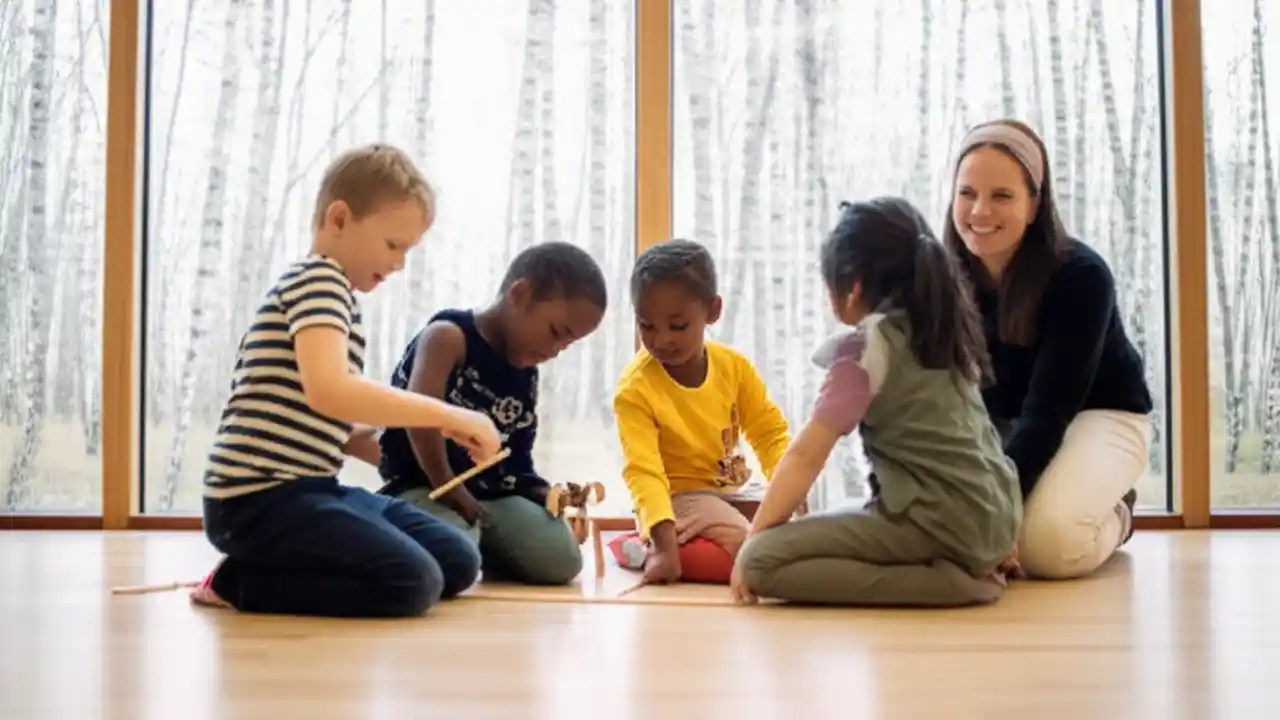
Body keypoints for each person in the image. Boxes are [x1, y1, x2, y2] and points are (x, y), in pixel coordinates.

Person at [192, 144, 502, 618]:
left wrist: (409, 455)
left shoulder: (334, 294)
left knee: (458, 560)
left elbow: (325, 418)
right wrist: (450, 414)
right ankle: (239, 581)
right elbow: (332, 390)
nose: (399, 263)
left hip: (311, 489)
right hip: (255, 501)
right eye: (393, 245)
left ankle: (283, 567)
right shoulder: (318, 282)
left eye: (407, 250)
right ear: (339, 219)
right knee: (413, 582)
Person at [731, 197, 1022, 607]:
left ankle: (954, 585)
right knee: (847, 513)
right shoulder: (943, 331)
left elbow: (805, 457)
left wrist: (751, 540)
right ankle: (969, 559)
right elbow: (981, 437)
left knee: (762, 561)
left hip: (939, 523)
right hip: (996, 515)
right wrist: (1000, 534)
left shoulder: (867, 350)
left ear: (853, 289)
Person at [943, 119, 1154, 580]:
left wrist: (1000, 515)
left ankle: (1118, 512)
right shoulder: (941, 277)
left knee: (1048, 548)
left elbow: (1048, 411)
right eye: (967, 193)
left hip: (1099, 416)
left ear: (1035, 204)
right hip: (1003, 425)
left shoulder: (1081, 275)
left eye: (1002, 195)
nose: (980, 211)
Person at [376, 242, 608, 585]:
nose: (556, 351)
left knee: (563, 561)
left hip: (487, 497)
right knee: (454, 556)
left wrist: (548, 495)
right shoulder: (447, 337)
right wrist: (450, 488)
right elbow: (420, 418)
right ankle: (438, 534)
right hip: (424, 486)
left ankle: (480, 542)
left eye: (567, 344)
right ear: (520, 294)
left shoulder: (526, 371)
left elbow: (515, 460)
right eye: (556, 333)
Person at [612, 239, 791, 585]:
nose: (662, 340)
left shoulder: (734, 367)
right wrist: (665, 548)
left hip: (729, 490)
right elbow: (644, 472)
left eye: (677, 326)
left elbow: (770, 434)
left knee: (785, 534)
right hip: (676, 498)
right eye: (647, 326)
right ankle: (646, 545)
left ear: (713, 310)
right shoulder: (635, 389)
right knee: (750, 549)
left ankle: (662, 545)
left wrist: (792, 495)